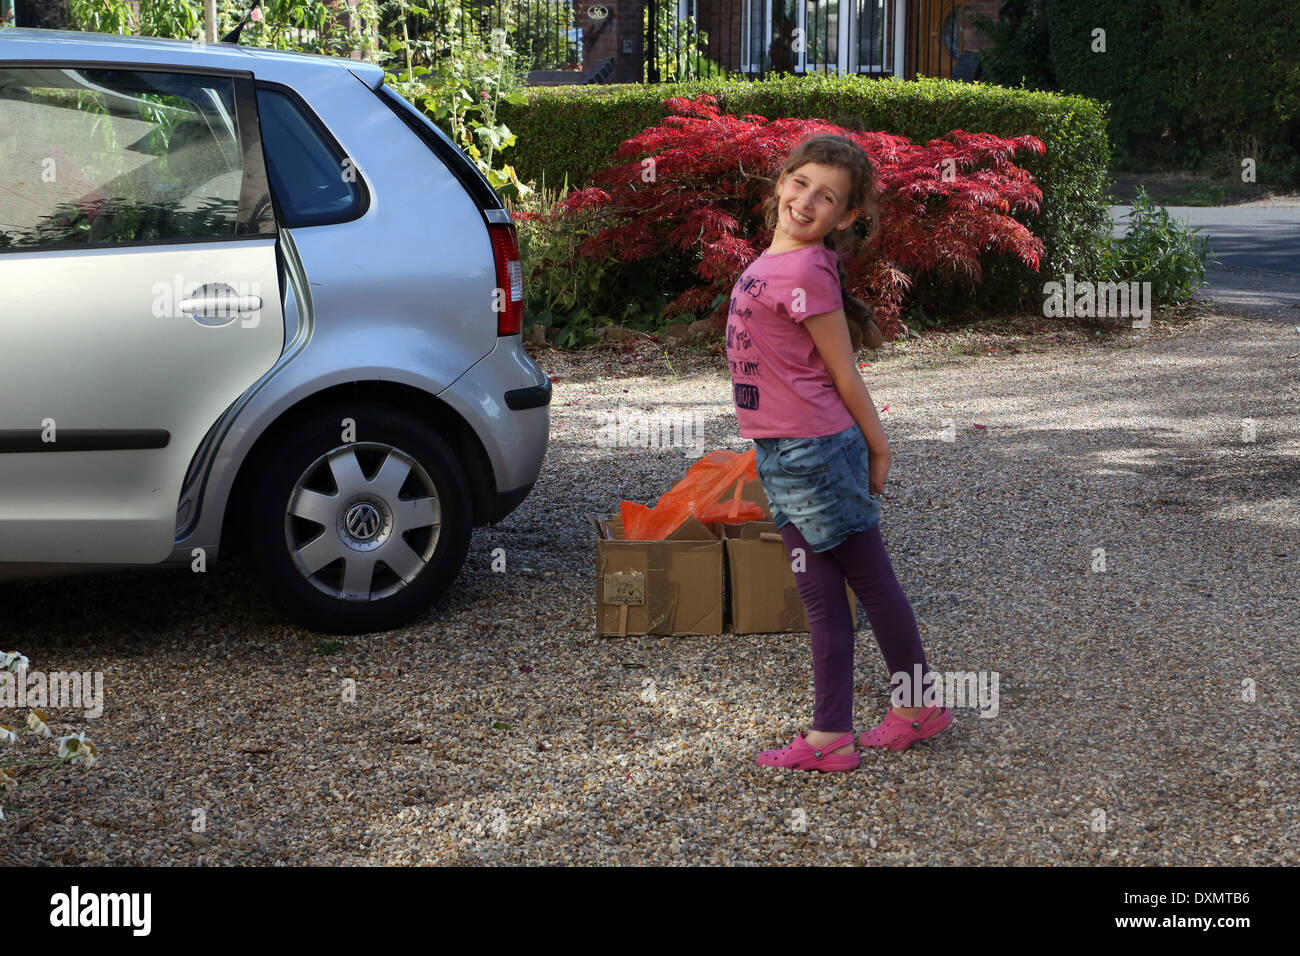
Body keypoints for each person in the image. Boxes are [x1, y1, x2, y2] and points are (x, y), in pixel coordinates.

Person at [725, 133, 951, 773]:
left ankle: (854, 731)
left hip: (812, 456)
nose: (806, 201)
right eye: (800, 183)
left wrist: (880, 450)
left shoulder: (799, 270)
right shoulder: (791, 260)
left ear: (846, 217)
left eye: (827, 198)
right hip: (792, 453)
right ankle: (887, 716)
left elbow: (845, 373)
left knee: (851, 592)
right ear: (780, 181)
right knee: (853, 590)